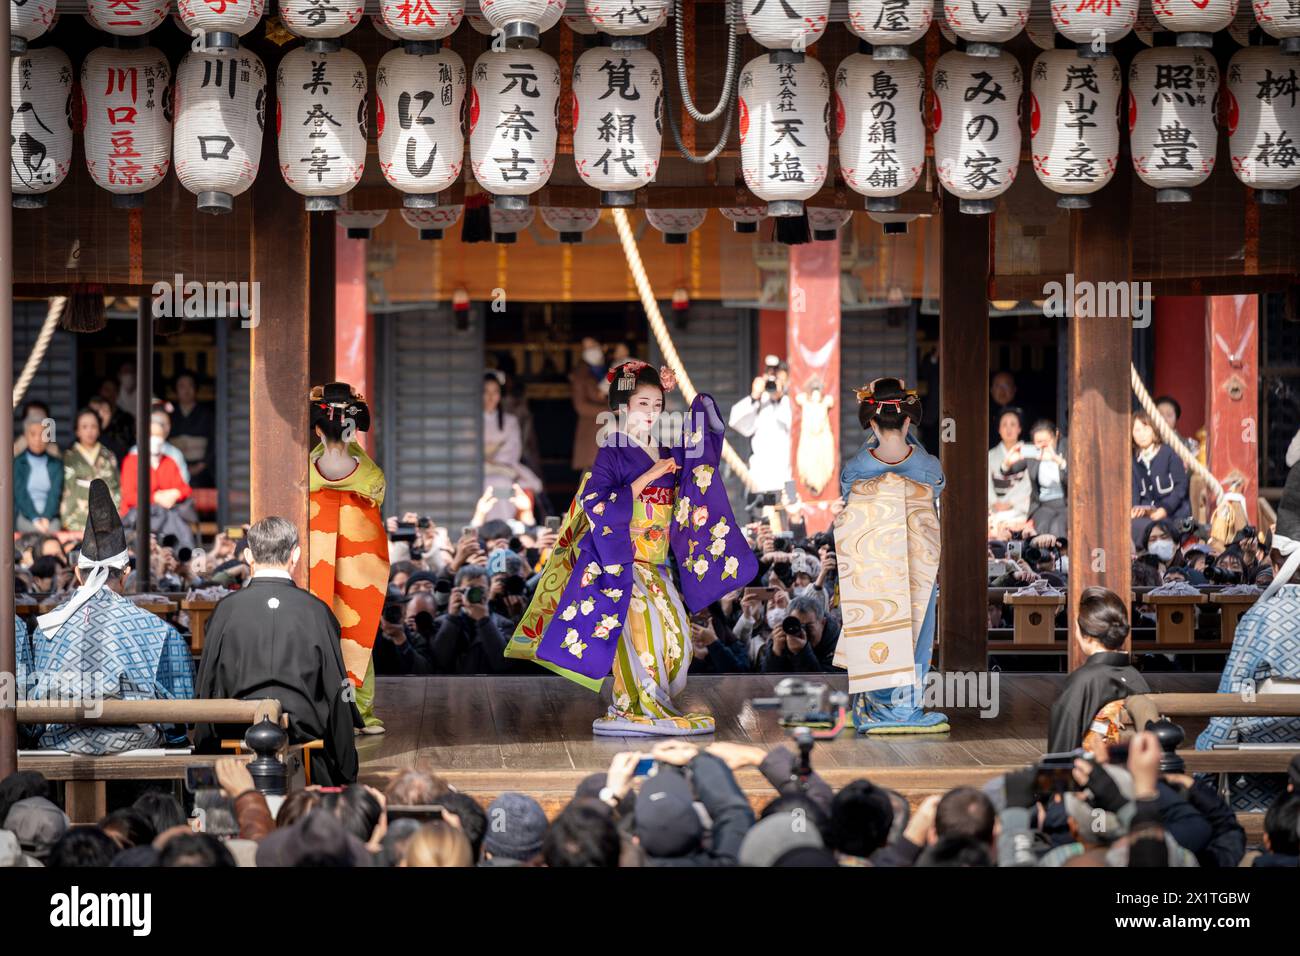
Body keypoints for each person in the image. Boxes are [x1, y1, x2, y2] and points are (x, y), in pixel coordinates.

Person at [507, 360, 758, 735]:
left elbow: (699, 455)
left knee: (677, 637)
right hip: (625, 559)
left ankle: (657, 703)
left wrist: (696, 406)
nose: (652, 413)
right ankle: (630, 706)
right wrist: (650, 477)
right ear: (622, 407)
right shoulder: (612, 449)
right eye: (644, 404)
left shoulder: (664, 447)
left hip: (656, 562)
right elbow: (596, 501)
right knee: (643, 636)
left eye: (657, 405)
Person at [17, 480, 194, 754]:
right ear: (125, 574)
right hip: (134, 744)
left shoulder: (45, 630)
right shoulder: (156, 630)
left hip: (59, 743)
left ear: (77, 574)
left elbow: (29, 711)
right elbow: (180, 711)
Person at [192, 516, 360, 785]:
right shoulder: (316, 611)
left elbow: (206, 683)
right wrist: (346, 769)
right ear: (296, 555)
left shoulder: (226, 610)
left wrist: (205, 755)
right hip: (303, 738)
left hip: (237, 734)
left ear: (248, 556)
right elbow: (338, 688)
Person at [837, 378, 948, 734]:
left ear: (871, 422)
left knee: (873, 625)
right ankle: (903, 708)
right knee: (916, 628)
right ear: (907, 422)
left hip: (872, 562)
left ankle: (871, 705)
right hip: (916, 560)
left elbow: (846, 497)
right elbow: (938, 487)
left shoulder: (855, 469)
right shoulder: (928, 467)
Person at [1197, 462, 1300, 811]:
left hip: (1262, 771)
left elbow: (1232, 700)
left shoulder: (1261, 618)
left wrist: (1203, 762)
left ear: (1275, 561)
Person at [307, 383, 390, 735]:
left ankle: (315, 708)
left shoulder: (305, 469)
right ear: (353, 427)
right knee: (358, 633)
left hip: (315, 559)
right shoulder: (369, 474)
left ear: (316, 429)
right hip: (360, 564)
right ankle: (361, 713)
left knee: (314, 631)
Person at [1047, 586, 1150, 754]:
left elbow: (1060, 752)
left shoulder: (1083, 682)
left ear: (1083, 632)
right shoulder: (1135, 676)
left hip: (1092, 775)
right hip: (1133, 772)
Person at [119, 410, 196, 550]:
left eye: (159, 435)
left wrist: (174, 494)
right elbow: (129, 497)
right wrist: (155, 497)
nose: (155, 439)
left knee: (178, 527)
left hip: (166, 520)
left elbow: (185, 489)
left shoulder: (170, 461)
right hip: (138, 519)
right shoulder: (131, 462)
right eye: (151, 435)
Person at [727, 354, 793, 498]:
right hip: (760, 480)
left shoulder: (791, 402)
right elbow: (735, 421)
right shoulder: (759, 402)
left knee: (793, 513)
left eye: (779, 380)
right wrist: (754, 396)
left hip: (788, 479)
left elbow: (794, 424)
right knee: (762, 519)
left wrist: (780, 397)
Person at [483, 371, 543, 523]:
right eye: (486, 392)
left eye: (495, 392)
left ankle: (503, 529)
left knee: (501, 483)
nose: (490, 397)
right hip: (478, 471)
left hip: (504, 470)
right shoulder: (471, 421)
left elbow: (512, 451)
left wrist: (488, 454)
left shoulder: (510, 421)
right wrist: (493, 448)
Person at [1131, 411, 1190, 552]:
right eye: (1137, 430)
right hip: (1148, 518)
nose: (1142, 434)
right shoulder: (1133, 461)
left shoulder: (1169, 453)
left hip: (1176, 514)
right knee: (1134, 528)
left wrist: (1164, 509)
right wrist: (1135, 509)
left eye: (1146, 428)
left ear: (1154, 429)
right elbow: (1134, 492)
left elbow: (1181, 487)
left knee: (1179, 527)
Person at [999, 419, 1069, 538]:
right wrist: (1007, 462)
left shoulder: (1067, 447)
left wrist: (1058, 461)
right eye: (1038, 442)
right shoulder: (1033, 452)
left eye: (1046, 442)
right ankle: (1042, 556)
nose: (1042, 445)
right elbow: (1008, 471)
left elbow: (1078, 479)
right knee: (1041, 526)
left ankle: (1059, 556)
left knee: (1057, 527)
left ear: (1056, 436)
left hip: (1066, 504)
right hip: (1043, 505)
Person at [59, 407, 120, 532]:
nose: (89, 431)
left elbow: (116, 487)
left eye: (94, 426)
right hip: (74, 519)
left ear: (99, 429)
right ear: (77, 431)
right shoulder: (68, 457)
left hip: (105, 519)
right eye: (84, 427)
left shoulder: (108, 456)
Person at [759, 594, 842, 673]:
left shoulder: (838, 645)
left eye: (808, 626)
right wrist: (775, 653)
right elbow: (766, 681)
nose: (802, 631)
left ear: (822, 623)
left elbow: (828, 682)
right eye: (797, 625)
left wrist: (802, 653)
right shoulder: (782, 635)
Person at [13, 412, 63, 533]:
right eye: (33, 434)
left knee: (53, 529)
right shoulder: (18, 463)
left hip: (50, 517)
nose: (37, 439)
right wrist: (35, 518)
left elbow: (55, 494)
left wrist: (46, 517)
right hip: (26, 516)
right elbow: (20, 494)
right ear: (25, 435)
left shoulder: (56, 464)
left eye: (42, 434)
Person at [168, 370, 216, 488]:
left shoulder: (207, 414)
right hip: (175, 469)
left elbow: (214, 443)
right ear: (176, 390)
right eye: (182, 386)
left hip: (202, 470)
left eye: (190, 385)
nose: (186, 390)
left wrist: (202, 465)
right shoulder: (170, 415)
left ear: (196, 389)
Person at [570, 338, 610, 475]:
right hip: (592, 432)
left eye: (592, 346)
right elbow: (581, 406)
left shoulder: (612, 368)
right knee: (591, 474)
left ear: (602, 347)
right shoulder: (580, 374)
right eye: (586, 348)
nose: (590, 351)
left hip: (614, 430)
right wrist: (610, 410)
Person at [988, 408, 1031, 537]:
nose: (1008, 429)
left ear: (1019, 429)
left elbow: (1028, 484)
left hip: (1018, 507)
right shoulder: (991, 455)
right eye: (1004, 425)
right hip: (995, 507)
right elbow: (986, 483)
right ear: (999, 430)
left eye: (1013, 424)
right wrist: (994, 502)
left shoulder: (1027, 452)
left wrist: (1010, 502)